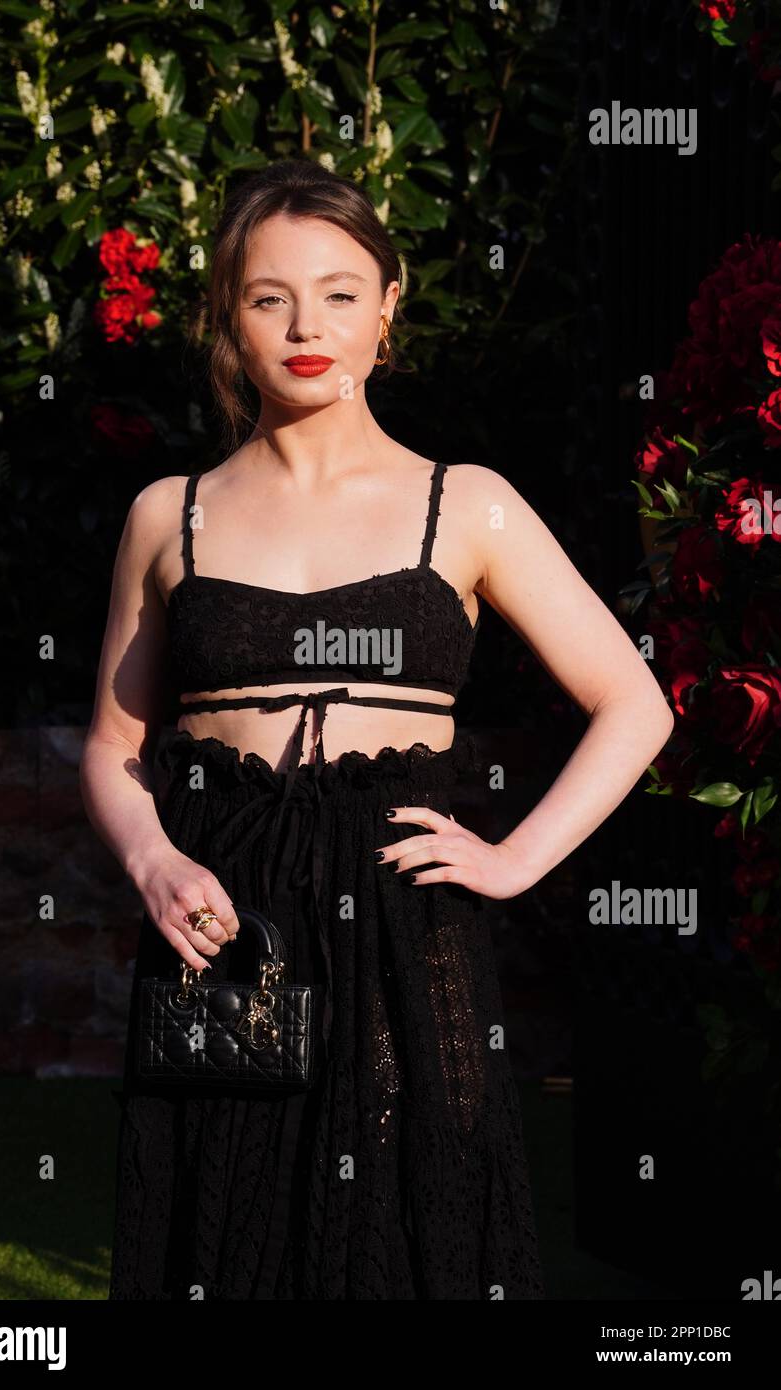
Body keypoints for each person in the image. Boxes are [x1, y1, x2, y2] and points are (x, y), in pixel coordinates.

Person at [79, 158, 674, 1300]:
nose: (308, 325)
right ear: (226, 314)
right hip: (224, 920)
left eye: (341, 292)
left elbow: (632, 701)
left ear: (388, 305)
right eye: (270, 297)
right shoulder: (170, 514)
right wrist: (153, 862)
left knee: (409, 1231)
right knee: (223, 1229)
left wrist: (511, 860)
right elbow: (110, 748)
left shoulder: (472, 502)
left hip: (403, 916)